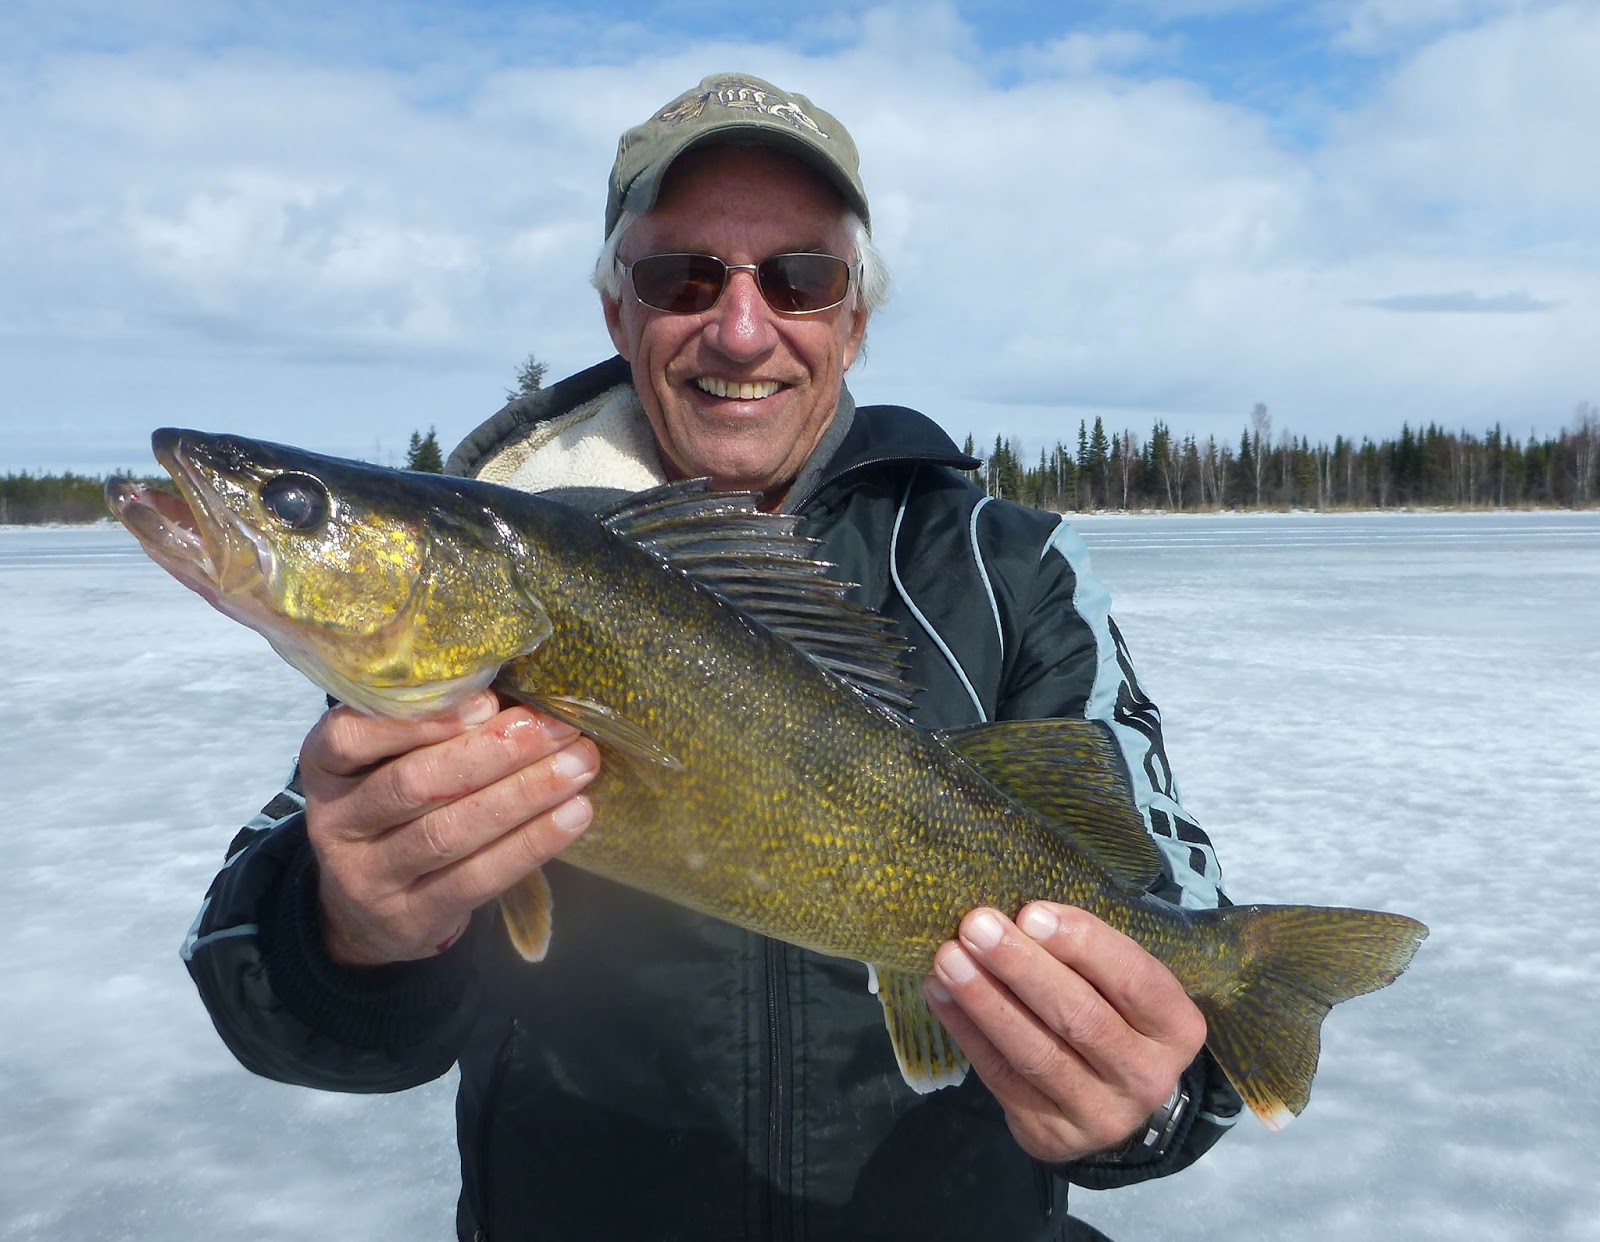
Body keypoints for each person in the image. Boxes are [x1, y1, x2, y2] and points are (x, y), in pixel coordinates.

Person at [184, 73, 1241, 1241]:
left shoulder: (1007, 567)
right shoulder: (487, 574)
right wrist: (349, 926)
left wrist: (1144, 1096)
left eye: (800, 277)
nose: (742, 328)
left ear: (854, 319)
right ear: (616, 314)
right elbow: (258, 975)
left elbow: (1172, 922)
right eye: (682, 276)